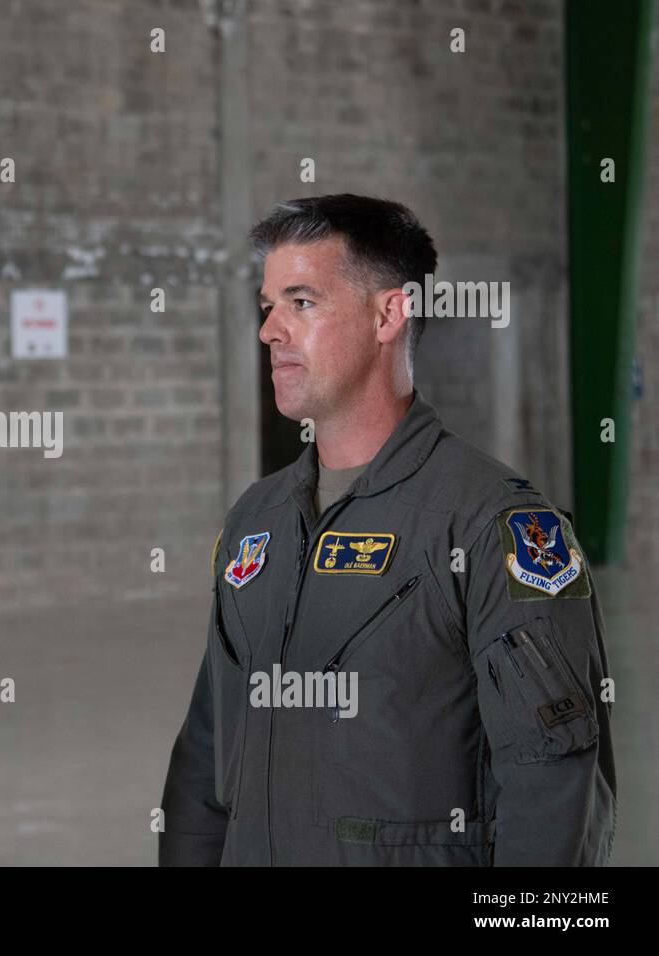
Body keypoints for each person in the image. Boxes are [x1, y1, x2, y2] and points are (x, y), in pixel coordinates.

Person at [159, 194, 616, 865]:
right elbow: (205, 757)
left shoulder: (497, 526)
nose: (270, 331)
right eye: (268, 305)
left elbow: (555, 786)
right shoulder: (256, 522)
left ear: (388, 314)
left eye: (302, 302)